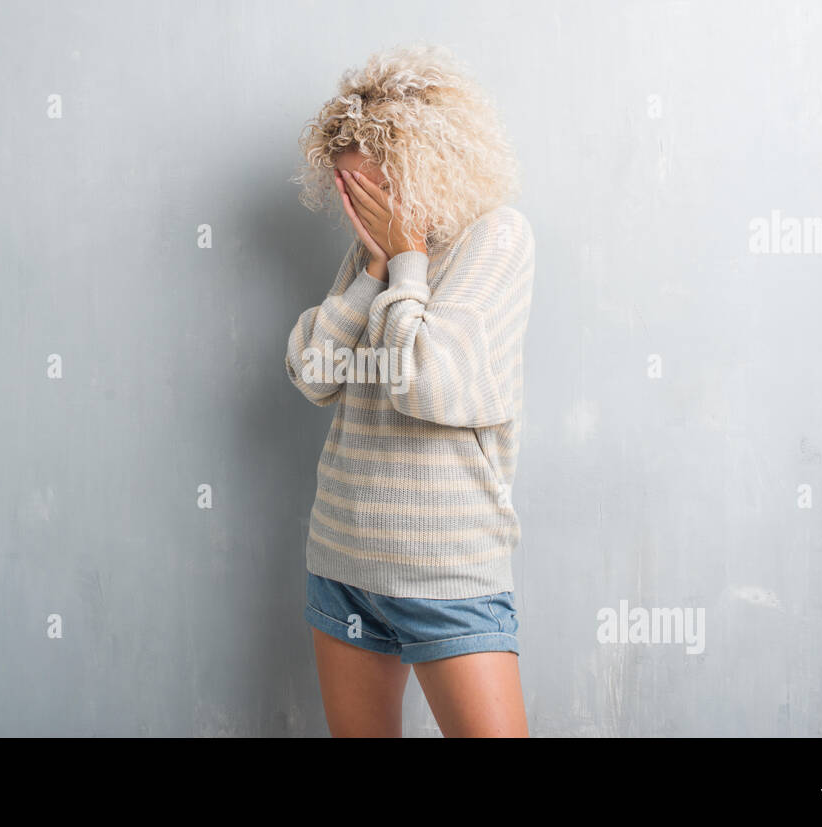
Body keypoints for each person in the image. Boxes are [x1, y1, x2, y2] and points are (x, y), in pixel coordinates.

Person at [285, 43, 535, 737]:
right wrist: (373, 269)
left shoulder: (498, 240)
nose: (358, 209)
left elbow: (423, 381)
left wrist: (408, 262)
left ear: (426, 168)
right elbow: (313, 374)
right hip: (343, 556)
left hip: (448, 571)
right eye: (346, 193)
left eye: (372, 190)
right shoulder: (370, 257)